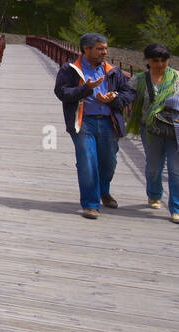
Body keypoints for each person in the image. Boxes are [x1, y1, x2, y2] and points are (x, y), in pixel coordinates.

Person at [54, 32, 136, 218]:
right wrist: (86, 89)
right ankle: (90, 204)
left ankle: (103, 191)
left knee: (109, 163)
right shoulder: (70, 69)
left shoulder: (112, 70)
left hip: (109, 122)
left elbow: (129, 93)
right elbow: (62, 92)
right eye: (100, 49)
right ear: (86, 49)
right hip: (83, 122)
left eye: (105, 48)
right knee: (87, 162)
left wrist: (114, 98)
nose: (104, 52)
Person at [129, 43, 179, 224]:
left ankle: (178, 209)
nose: (160, 64)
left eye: (164, 60)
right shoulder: (139, 80)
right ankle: (154, 195)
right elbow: (127, 96)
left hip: (178, 131)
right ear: (147, 60)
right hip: (151, 130)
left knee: (177, 170)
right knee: (154, 167)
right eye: (156, 61)